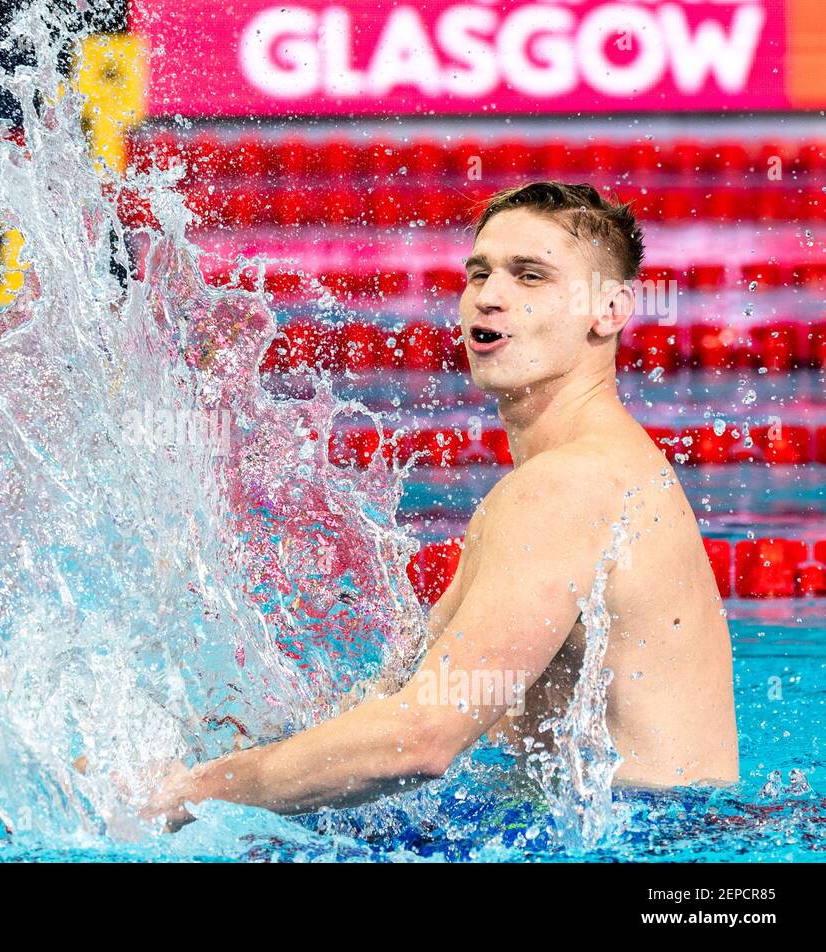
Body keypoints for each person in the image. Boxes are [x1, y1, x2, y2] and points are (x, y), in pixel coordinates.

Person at [145, 181, 740, 830]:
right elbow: (391, 701)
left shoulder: (566, 488)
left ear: (609, 308)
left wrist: (193, 791)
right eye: (479, 273)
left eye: (530, 276)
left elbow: (423, 737)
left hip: (652, 844)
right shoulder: (592, 470)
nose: (489, 295)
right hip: (661, 828)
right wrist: (235, 752)